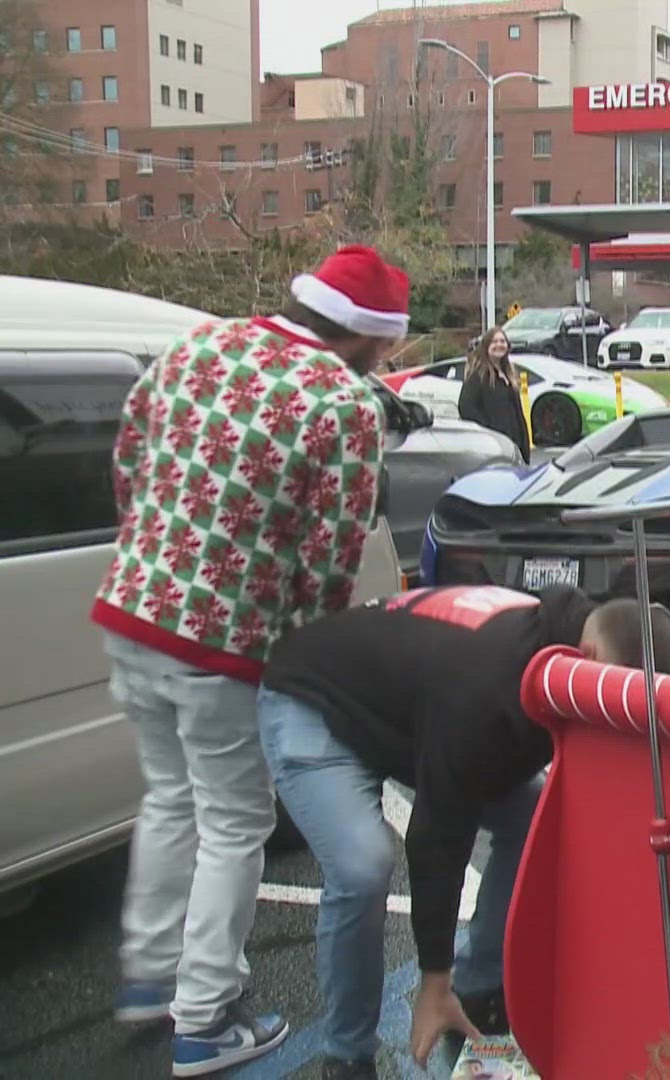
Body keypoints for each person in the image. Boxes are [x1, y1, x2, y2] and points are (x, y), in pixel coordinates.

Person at [94, 244, 407, 1076]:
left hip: (131, 606)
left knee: (169, 797)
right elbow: (332, 553)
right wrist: (308, 657)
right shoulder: (343, 401)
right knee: (235, 823)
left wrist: (155, 556)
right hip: (222, 639)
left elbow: (130, 458)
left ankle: (150, 973)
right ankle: (203, 1021)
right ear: (370, 338)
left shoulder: (200, 344)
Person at [256, 584, 670, 1078]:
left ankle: (479, 987)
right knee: (363, 866)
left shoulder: (561, 647)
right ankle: (347, 1054)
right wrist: (434, 981)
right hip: (312, 701)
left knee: (535, 812)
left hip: (401, 707)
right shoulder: (490, 693)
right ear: (586, 657)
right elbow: (438, 836)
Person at [459, 327, 533, 462]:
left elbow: (518, 415)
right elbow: (466, 408)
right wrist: (490, 431)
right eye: (494, 342)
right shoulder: (478, 376)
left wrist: (525, 447)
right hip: (494, 447)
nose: (499, 345)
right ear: (486, 346)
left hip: (515, 446)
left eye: (502, 341)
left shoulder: (509, 376)